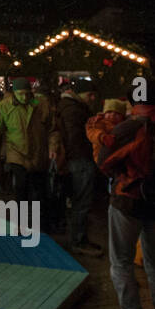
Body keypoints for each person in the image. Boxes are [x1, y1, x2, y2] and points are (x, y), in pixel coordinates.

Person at [88, 78, 155, 309]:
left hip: (128, 199)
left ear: (133, 101)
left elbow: (104, 161)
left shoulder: (131, 127)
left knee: (121, 263)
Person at [0, 78, 50, 220]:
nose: (24, 97)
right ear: (14, 93)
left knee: (38, 191)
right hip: (17, 153)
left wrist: (53, 146)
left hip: (38, 153)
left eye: (27, 94)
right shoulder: (5, 106)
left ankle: (39, 223)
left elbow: (52, 128)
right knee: (21, 189)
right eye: (21, 94)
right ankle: (23, 222)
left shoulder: (40, 104)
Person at [54, 78, 102, 256]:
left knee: (79, 201)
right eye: (91, 96)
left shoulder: (68, 107)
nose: (92, 99)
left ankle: (80, 238)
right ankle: (78, 241)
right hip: (80, 160)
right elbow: (76, 138)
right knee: (81, 201)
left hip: (75, 159)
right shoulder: (74, 110)